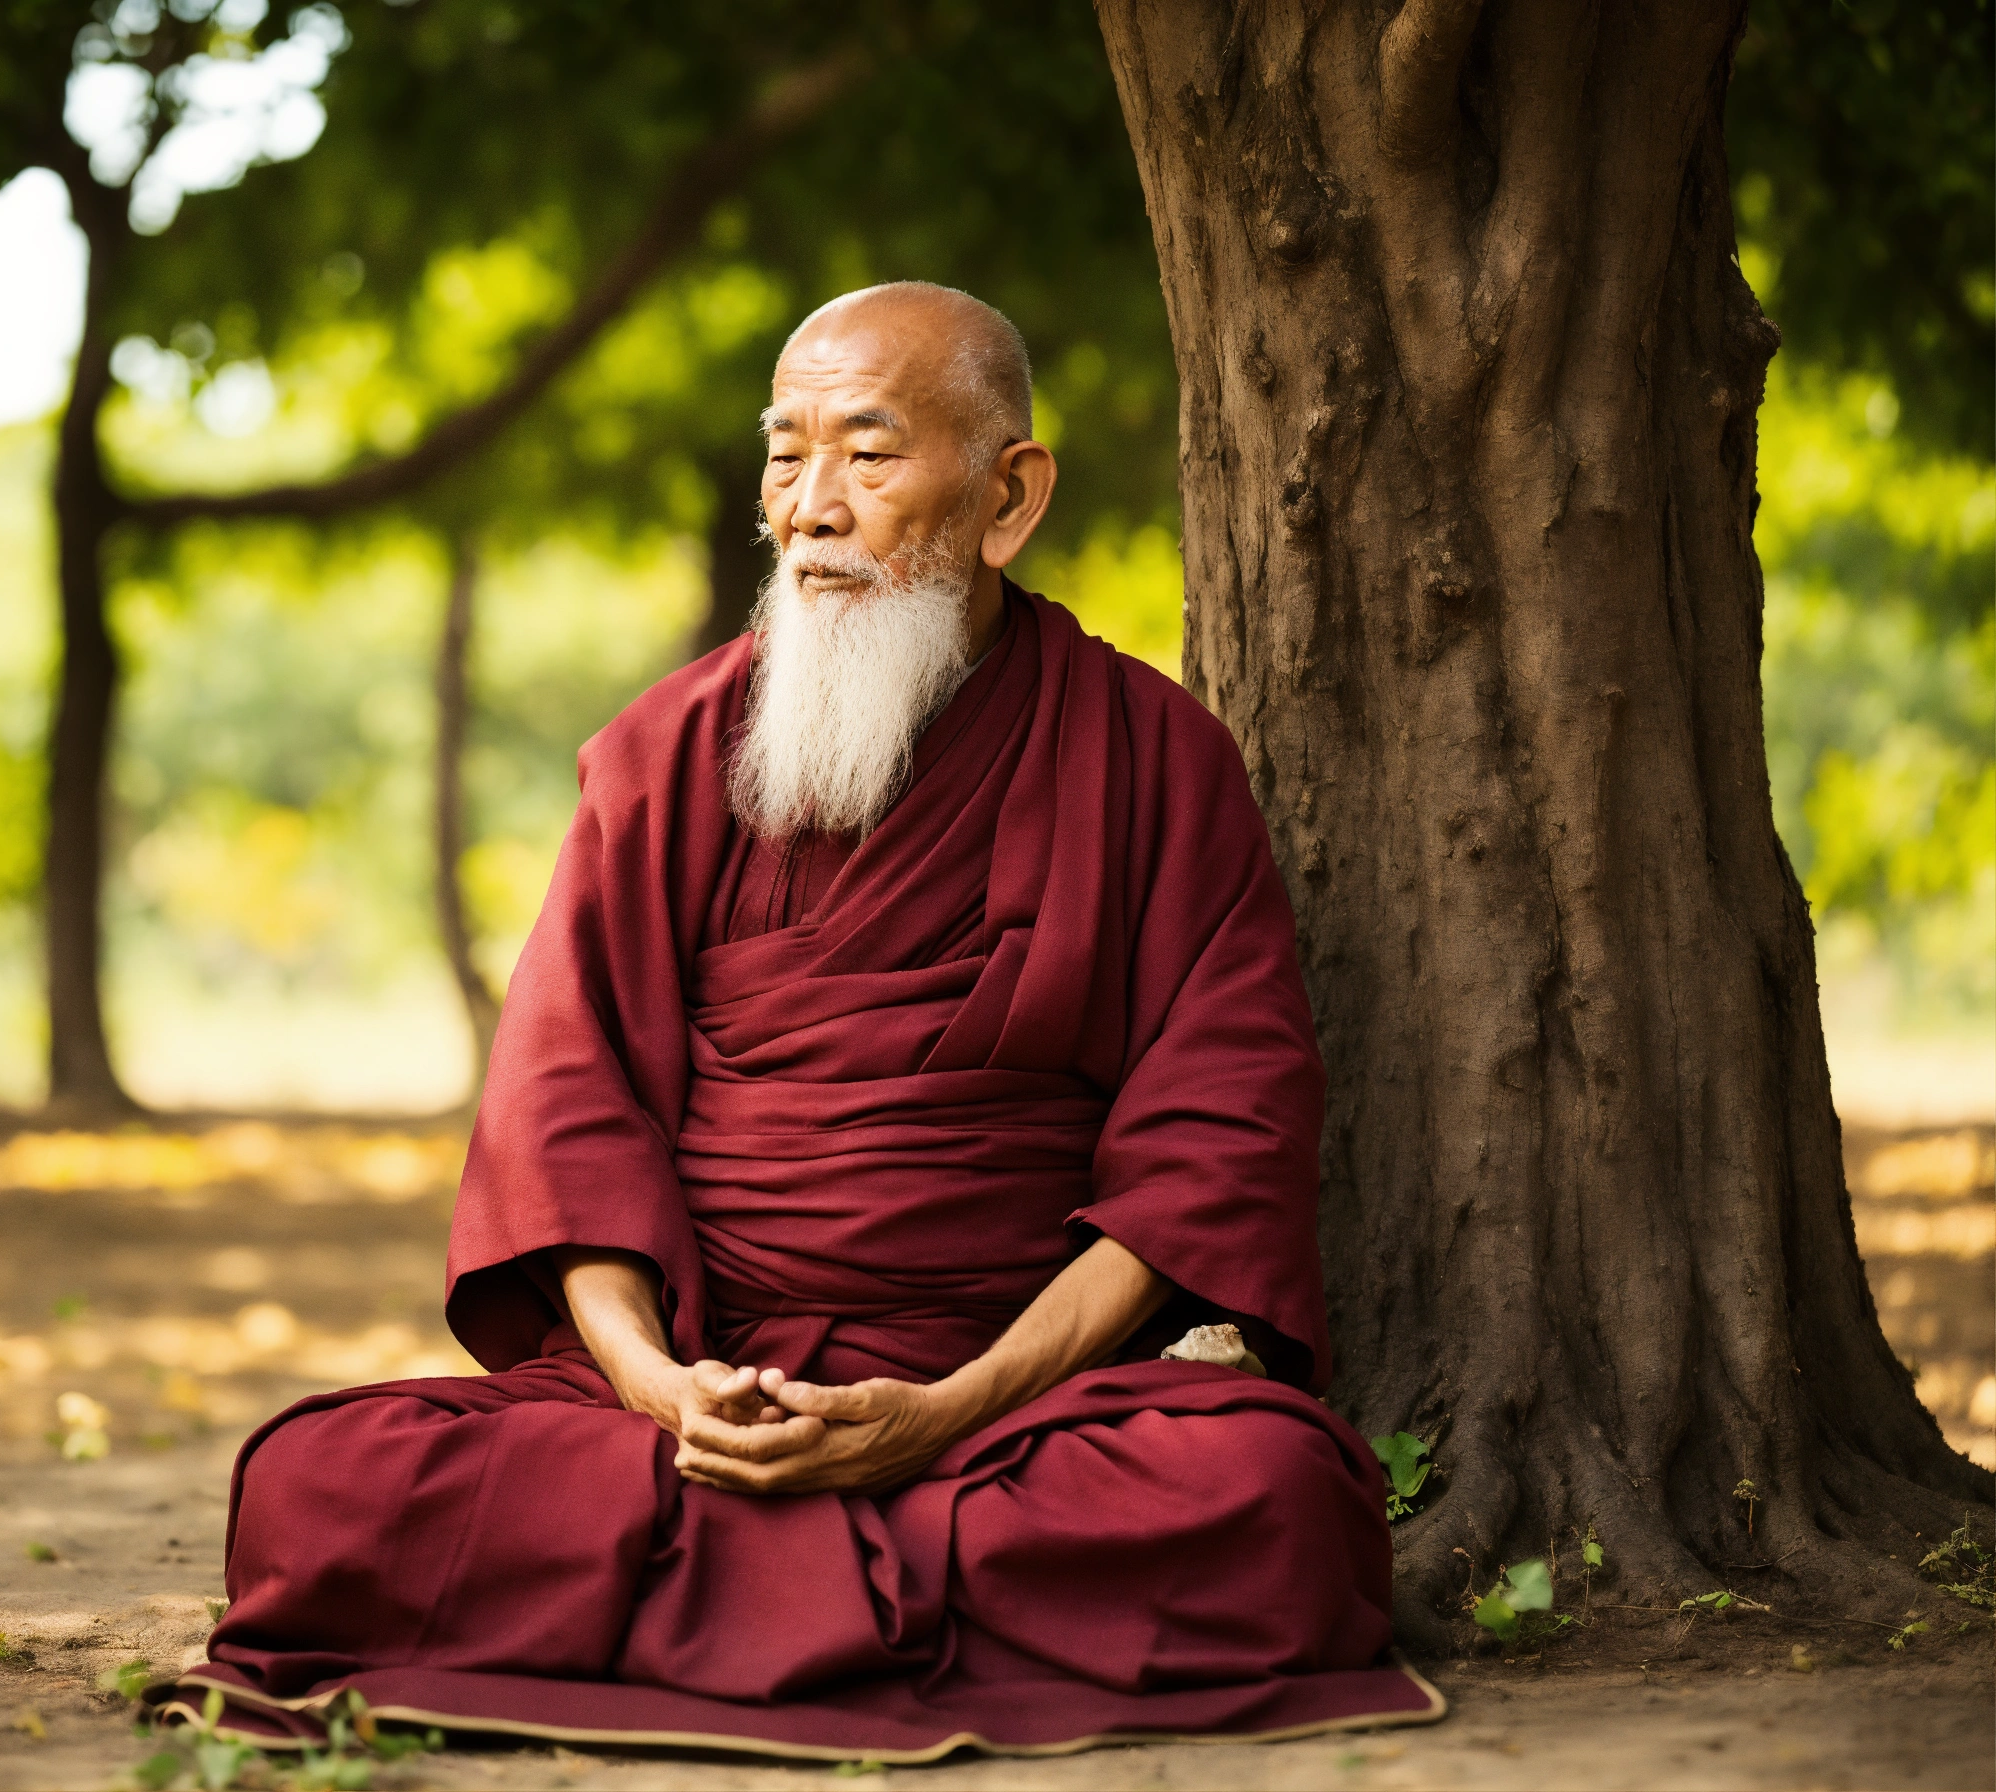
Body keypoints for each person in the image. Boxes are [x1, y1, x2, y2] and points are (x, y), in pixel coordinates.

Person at [159, 283, 1443, 1762]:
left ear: (1010, 497)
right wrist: (664, 1393)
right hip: (698, 1383)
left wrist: (946, 1411)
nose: (812, 509)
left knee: (1281, 1502)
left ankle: (707, 1601)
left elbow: (1211, 1155)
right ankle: (880, 1593)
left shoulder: (1155, 762)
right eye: (784, 457)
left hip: (1009, 1401)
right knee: (325, 1486)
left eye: (869, 456)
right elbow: (566, 1119)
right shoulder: (664, 754)